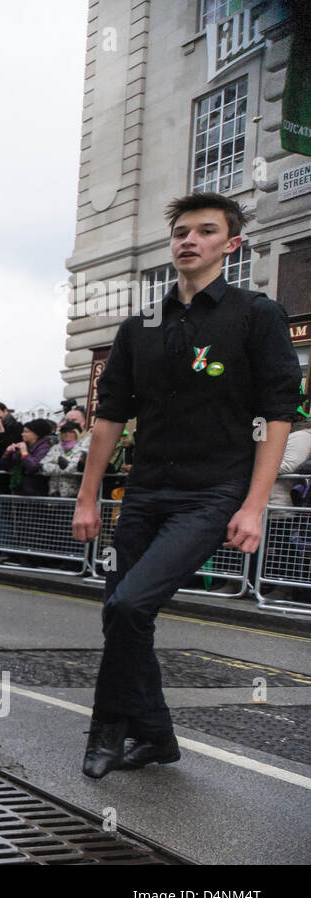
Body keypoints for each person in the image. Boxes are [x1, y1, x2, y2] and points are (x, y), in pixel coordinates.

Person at [72, 192, 300, 779]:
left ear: (231, 244)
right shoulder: (139, 326)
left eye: (204, 231)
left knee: (128, 604)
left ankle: (108, 728)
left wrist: (254, 504)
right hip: (145, 492)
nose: (188, 241)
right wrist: (88, 494)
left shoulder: (255, 314)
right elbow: (110, 416)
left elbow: (280, 413)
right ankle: (156, 737)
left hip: (213, 492)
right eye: (180, 232)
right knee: (120, 614)